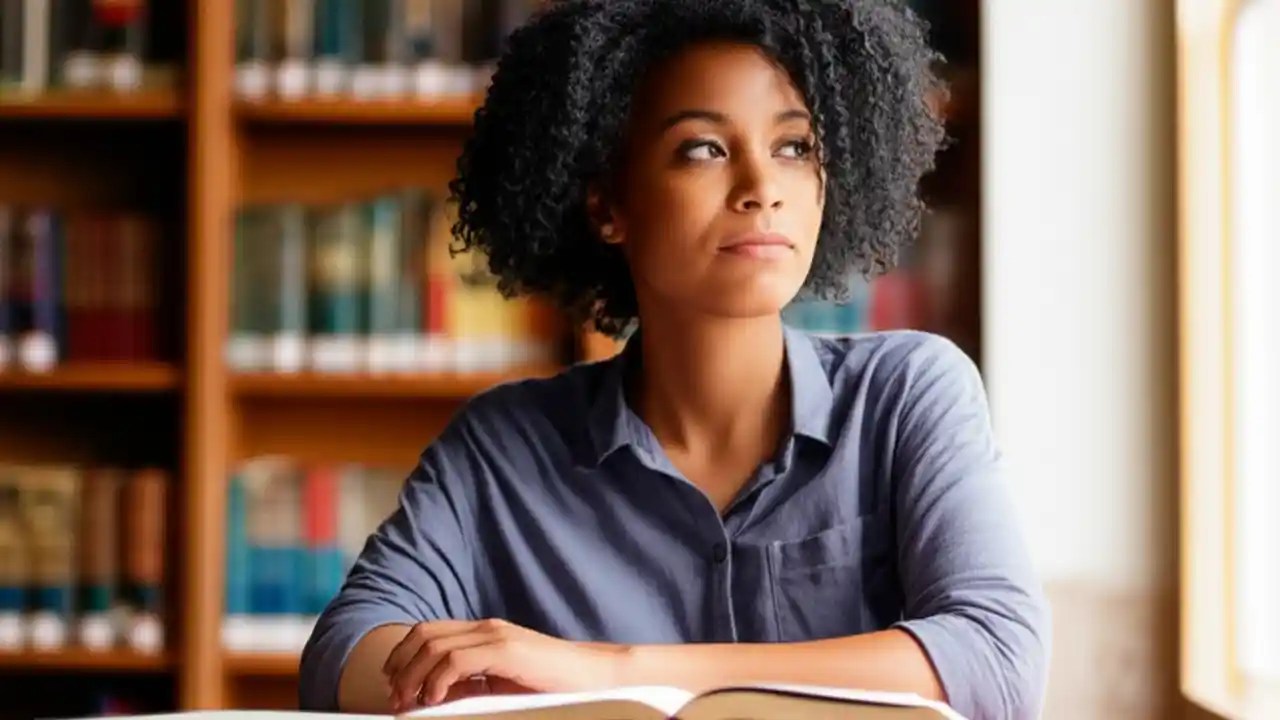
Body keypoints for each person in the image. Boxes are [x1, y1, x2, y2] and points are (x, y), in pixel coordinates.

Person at [298, 1, 1050, 718]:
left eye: (794, 146)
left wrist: (610, 671)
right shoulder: (503, 448)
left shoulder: (908, 394)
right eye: (704, 149)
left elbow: (995, 661)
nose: (762, 189)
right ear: (607, 207)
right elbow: (345, 651)